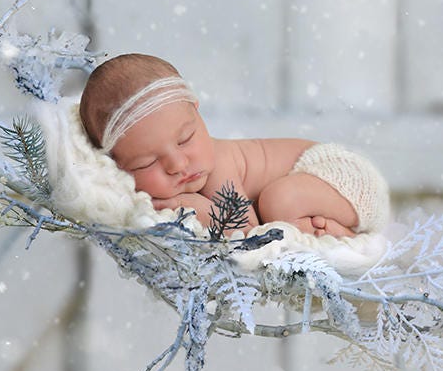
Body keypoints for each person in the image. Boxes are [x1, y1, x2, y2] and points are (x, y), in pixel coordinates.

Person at [78, 53, 389, 237]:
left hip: (342, 175)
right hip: (323, 189)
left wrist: (201, 209)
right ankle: (321, 228)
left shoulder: (219, 167)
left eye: (186, 139)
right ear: (116, 165)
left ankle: (341, 237)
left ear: (198, 114)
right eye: (145, 163)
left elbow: (244, 230)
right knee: (281, 206)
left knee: (279, 201)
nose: (177, 164)